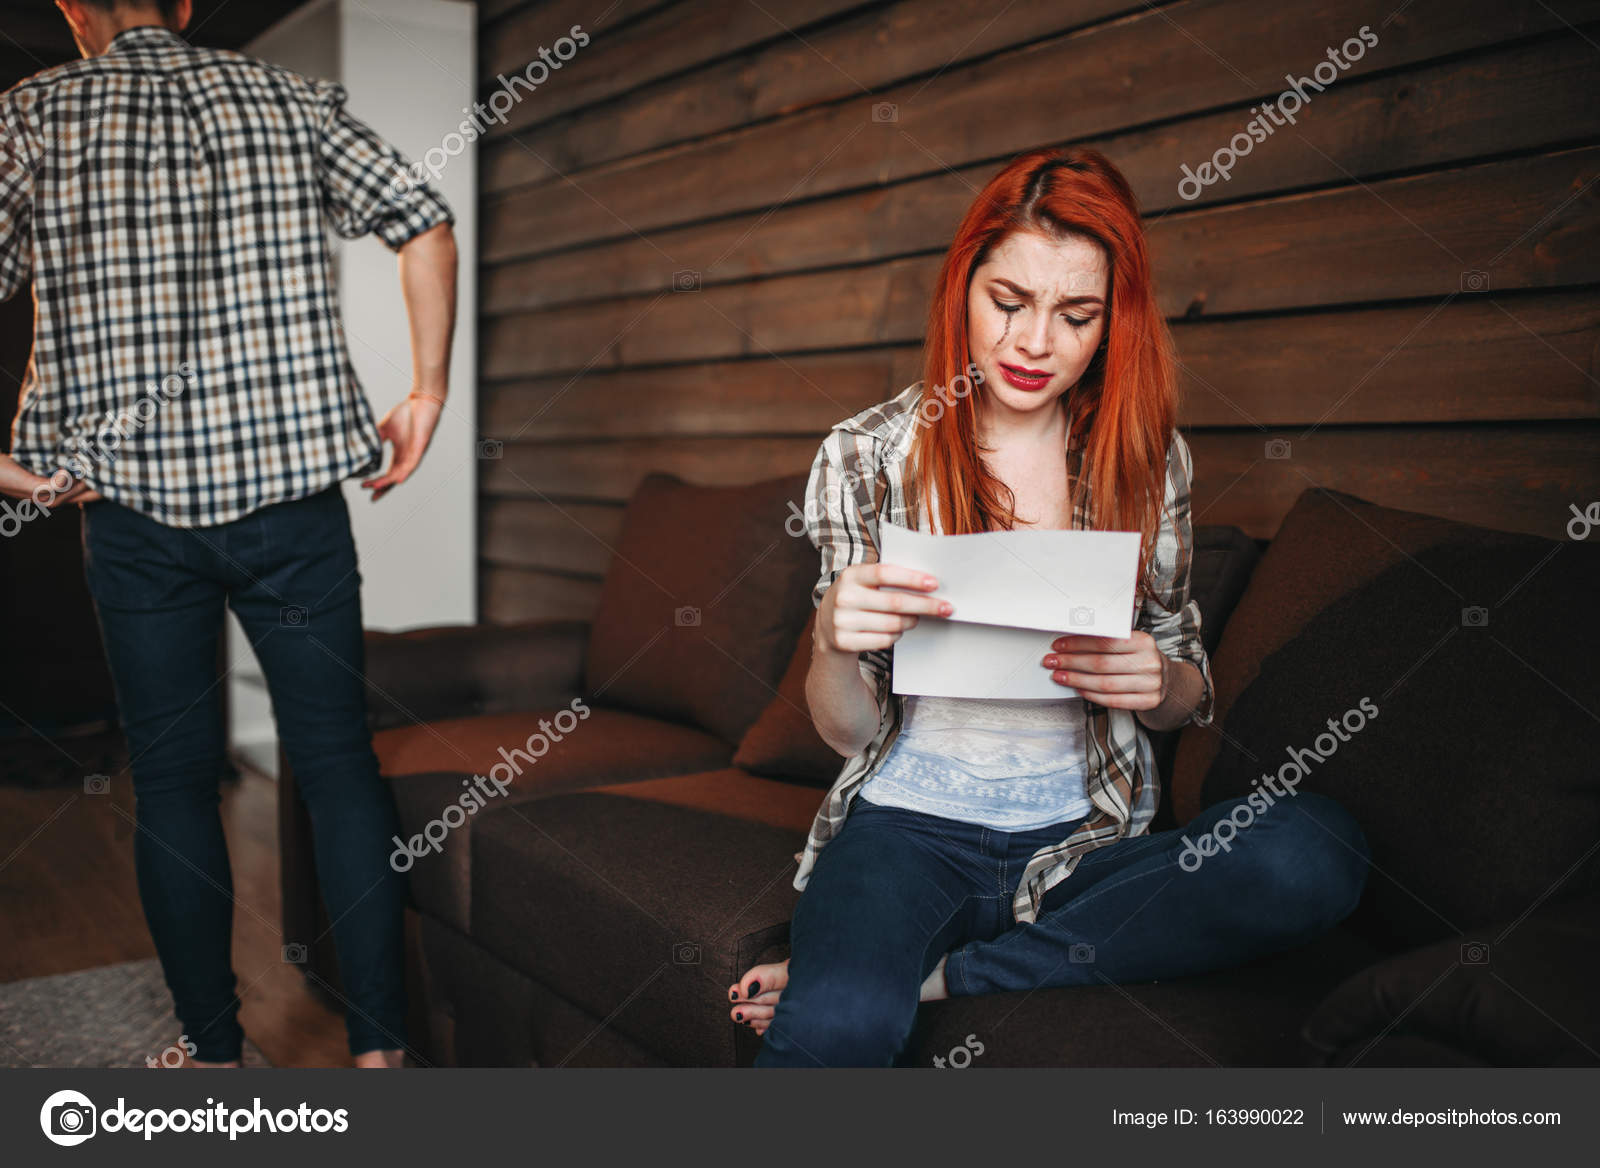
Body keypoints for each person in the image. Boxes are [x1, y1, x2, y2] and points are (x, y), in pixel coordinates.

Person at [726, 146, 1370, 1067]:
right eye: (1008, 302)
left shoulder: (1147, 459)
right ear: (963, 288)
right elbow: (844, 734)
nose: (1034, 344)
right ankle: (886, 972)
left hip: (1090, 837)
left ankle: (947, 974)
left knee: (1312, 849)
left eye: (1076, 316)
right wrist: (832, 639)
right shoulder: (865, 454)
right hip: (908, 833)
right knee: (839, 1030)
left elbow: (1187, 695)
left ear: (1115, 322)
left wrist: (1158, 681)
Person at [0, 0, 458, 1067]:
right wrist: (425, 393)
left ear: (72, 7)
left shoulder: (32, 115)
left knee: (170, 779)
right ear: (187, 4)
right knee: (338, 765)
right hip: (292, 507)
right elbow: (423, 220)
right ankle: (381, 1054)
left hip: (133, 515)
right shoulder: (289, 100)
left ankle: (213, 1053)